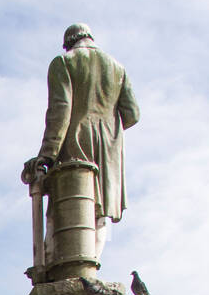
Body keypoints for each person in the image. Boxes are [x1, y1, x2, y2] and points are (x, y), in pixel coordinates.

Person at [22, 24, 140, 264]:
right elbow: (132, 114)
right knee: (100, 211)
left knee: (65, 203)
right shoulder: (118, 68)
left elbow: (60, 110)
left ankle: (63, 265)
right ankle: (91, 263)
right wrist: (107, 126)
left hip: (75, 141)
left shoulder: (64, 62)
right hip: (109, 151)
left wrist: (47, 154)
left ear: (68, 43)